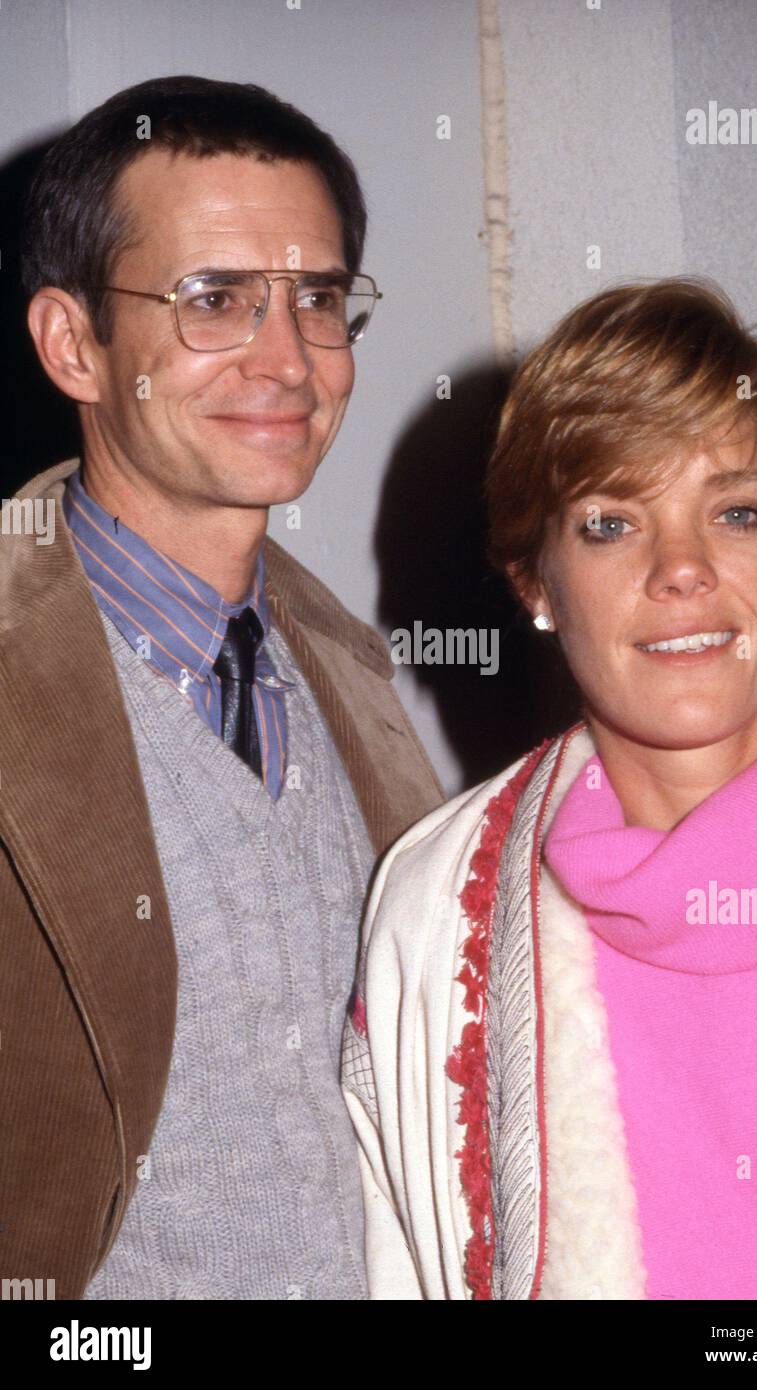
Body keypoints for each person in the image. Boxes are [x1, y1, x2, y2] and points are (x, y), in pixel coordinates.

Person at [342, 277, 757, 1300]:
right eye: (608, 523)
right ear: (534, 582)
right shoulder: (428, 913)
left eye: (734, 512)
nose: (680, 568)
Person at [2, 75, 443, 1301]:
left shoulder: (346, 669)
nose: (288, 358)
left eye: (317, 299)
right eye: (216, 301)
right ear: (74, 344)